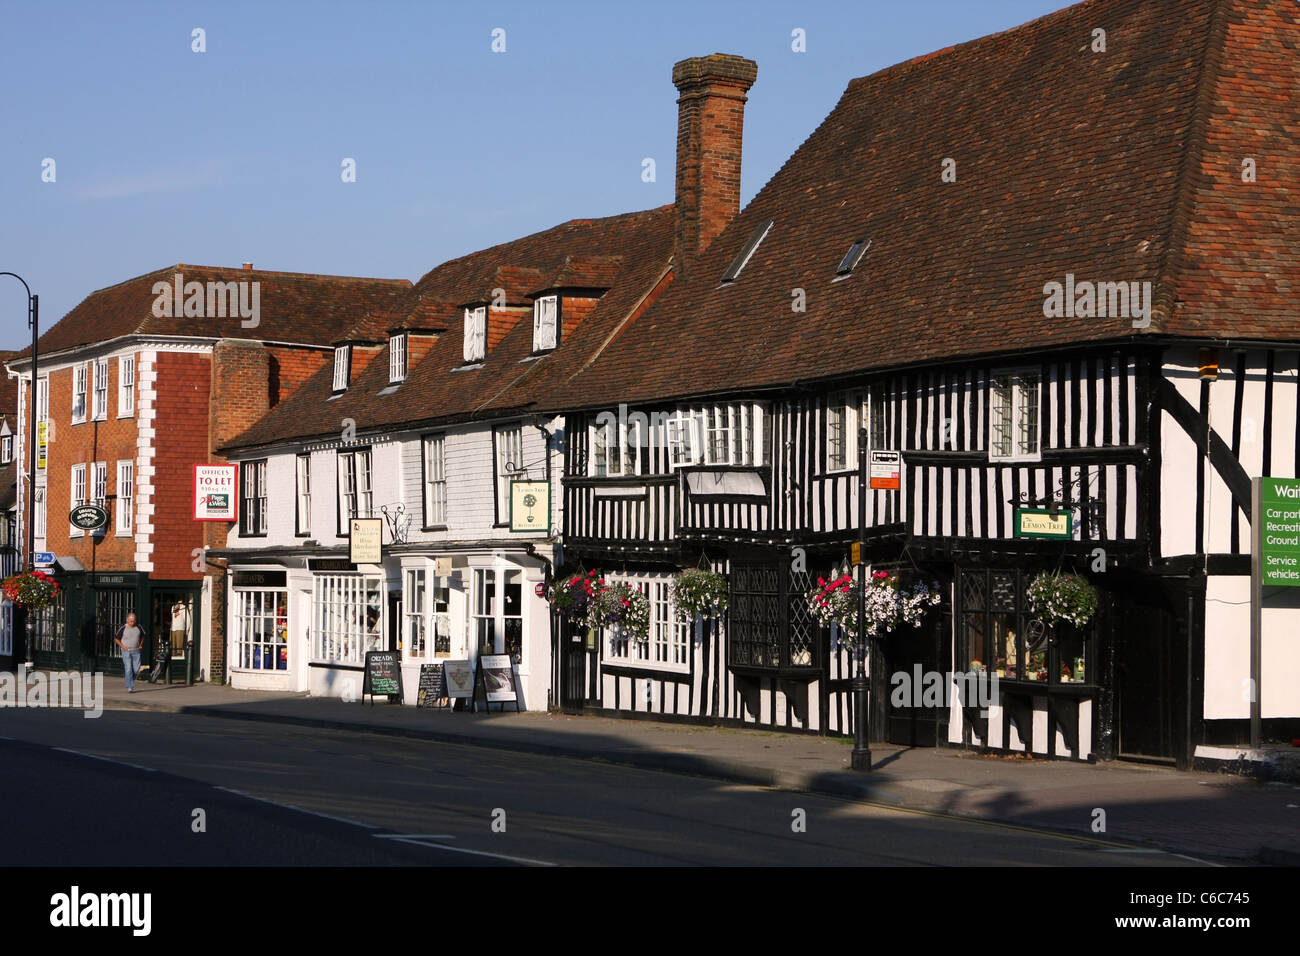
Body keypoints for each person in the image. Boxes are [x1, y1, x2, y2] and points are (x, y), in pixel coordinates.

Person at [113, 612, 147, 693]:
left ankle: (130, 680)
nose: (132, 623)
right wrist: (122, 646)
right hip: (126, 651)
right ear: (127, 620)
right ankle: (130, 687)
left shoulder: (139, 627)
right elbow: (116, 638)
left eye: (134, 621)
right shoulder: (123, 628)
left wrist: (140, 645)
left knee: (136, 669)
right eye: (131, 621)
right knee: (128, 669)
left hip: (136, 650)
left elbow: (143, 635)